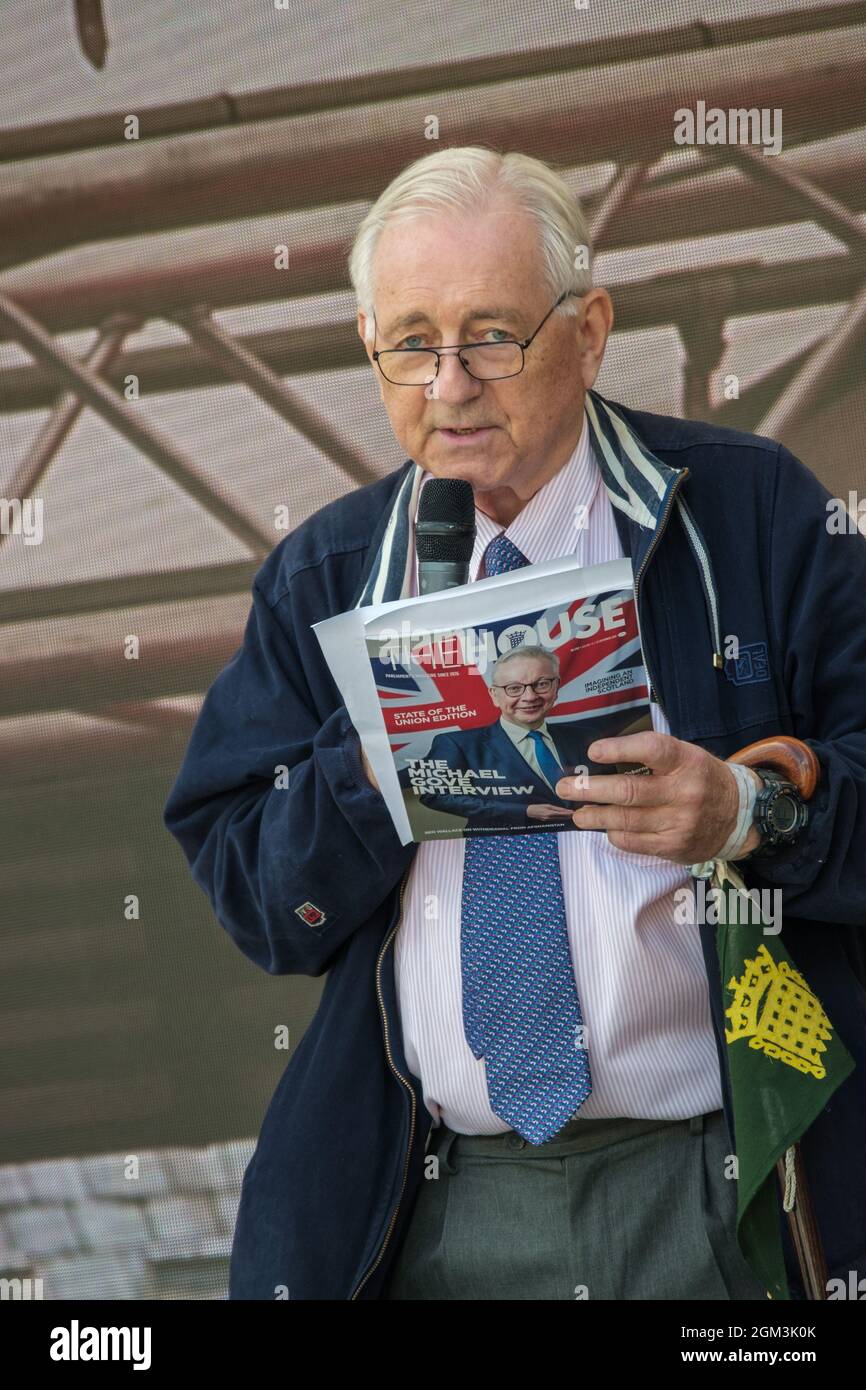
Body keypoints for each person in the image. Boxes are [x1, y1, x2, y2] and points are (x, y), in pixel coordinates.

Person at [163, 145, 866, 1301]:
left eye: (492, 334)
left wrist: (747, 810)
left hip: (717, 1183)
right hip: (433, 1205)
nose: (448, 384)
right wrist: (380, 761)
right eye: (409, 343)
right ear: (366, 346)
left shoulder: (752, 511)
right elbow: (254, 897)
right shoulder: (326, 574)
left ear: (587, 332)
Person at [411, 646, 644, 829]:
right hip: (501, 855)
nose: (529, 696)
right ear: (494, 695)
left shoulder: (589, 737)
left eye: (541, 684)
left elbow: (609, 797)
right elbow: (433, 794)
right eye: (514, 688)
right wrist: (523, 812)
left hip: (592, 850)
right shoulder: (455, 743)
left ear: (556, 688)